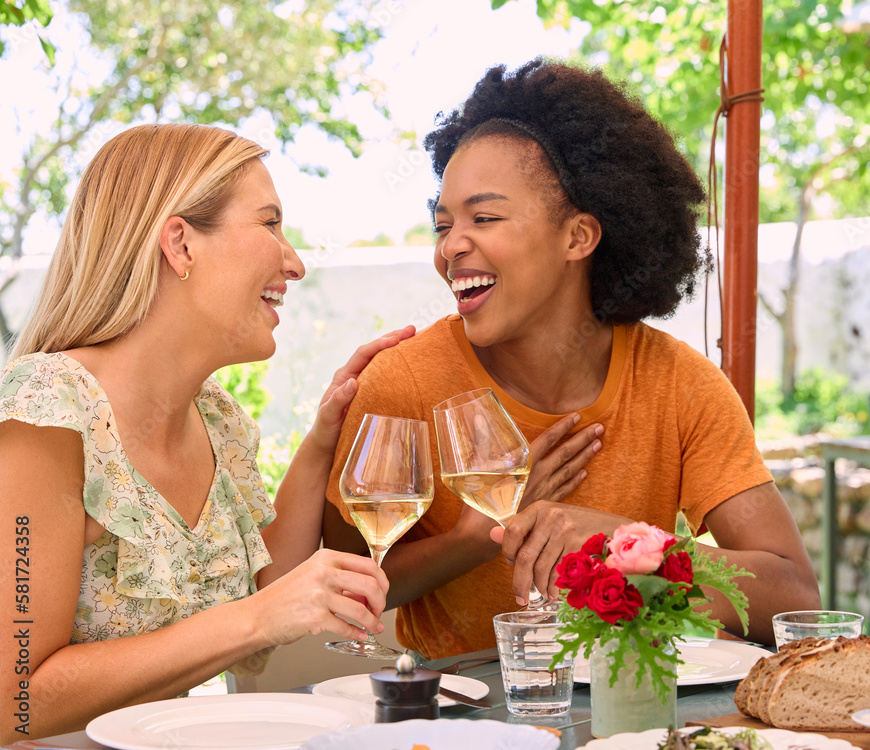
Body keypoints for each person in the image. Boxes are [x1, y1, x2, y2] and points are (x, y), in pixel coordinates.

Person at [322, 58, 821, 660]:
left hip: (629, 710)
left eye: (484, 218)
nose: (452, 245)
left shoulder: (679, 384)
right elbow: (347, 578)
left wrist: (634, 545)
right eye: (443, 224)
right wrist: (474, 539)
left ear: (578, 237)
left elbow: (796, 603)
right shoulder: (404, 382)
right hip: (458, 715)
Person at [0, 123, 413, 741]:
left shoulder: (214, 417)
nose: (295, 263)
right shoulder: (48, 410)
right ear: (181, 244)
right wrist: (258, 618)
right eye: (270, 223)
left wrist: (326, 433)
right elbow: (15, 703)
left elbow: (268, 593)